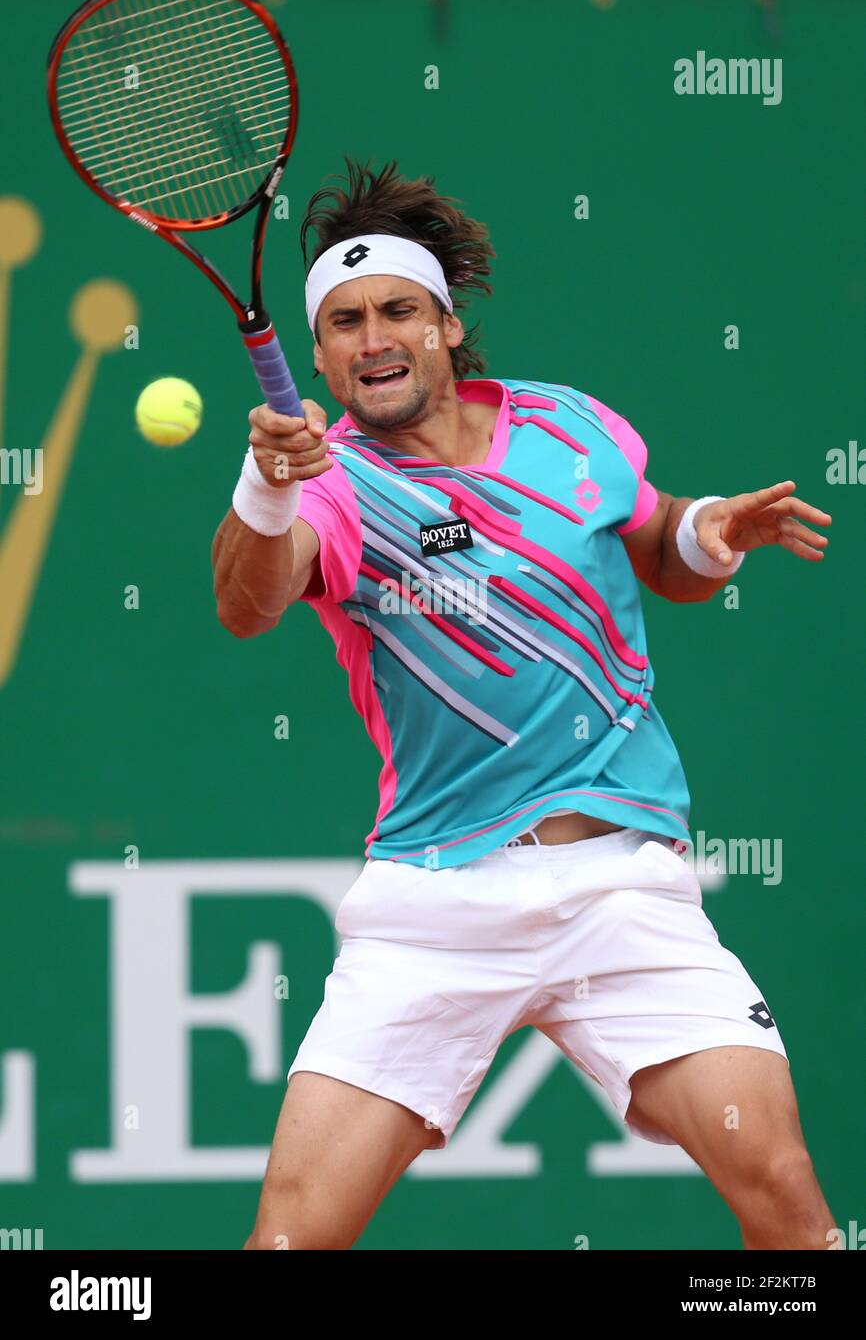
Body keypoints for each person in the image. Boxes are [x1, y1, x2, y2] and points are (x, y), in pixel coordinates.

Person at [212, 159, 835, 1251]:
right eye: (345, 321)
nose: (373, 338)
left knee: (779, 1186)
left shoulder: (570, 428)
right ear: (315, 355)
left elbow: (654, 547)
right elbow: (247, 602)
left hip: (622, 895)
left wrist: (709, 534)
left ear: (447, 325)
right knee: (288, 1241)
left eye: (398, 309)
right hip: (432, 907)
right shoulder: (328, 485)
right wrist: (265, 483)